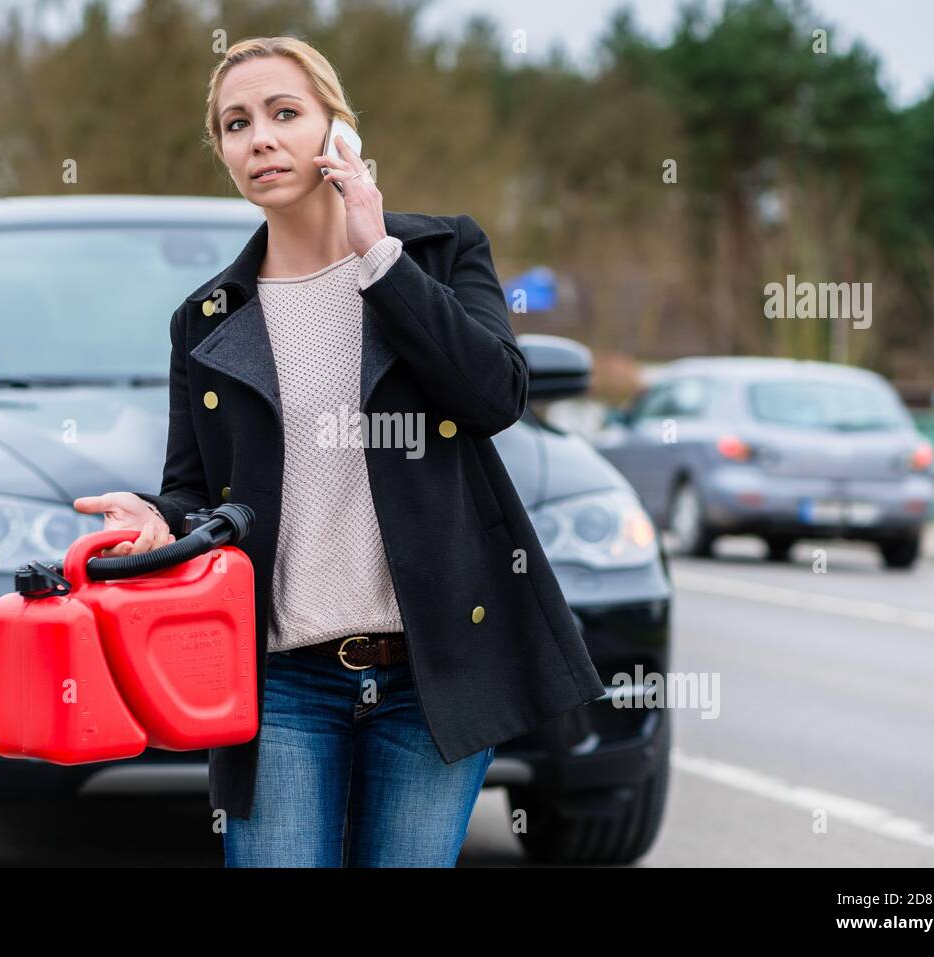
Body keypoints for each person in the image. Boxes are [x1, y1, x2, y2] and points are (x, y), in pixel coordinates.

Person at [74, 35, 607, 867]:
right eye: (236, 123)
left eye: (285, 113)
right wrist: (156, 518)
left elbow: (493, 396)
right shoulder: (206, 320)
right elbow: (195, 490)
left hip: (436, 671)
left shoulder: (437, 253)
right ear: (221, 151)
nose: (260, 138)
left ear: (336, 130)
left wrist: (377, 255)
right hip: (282, 678)